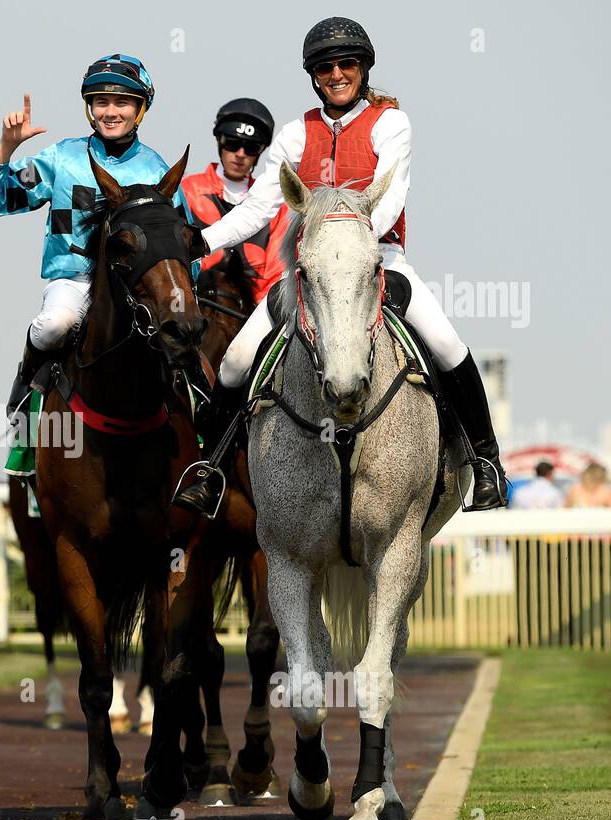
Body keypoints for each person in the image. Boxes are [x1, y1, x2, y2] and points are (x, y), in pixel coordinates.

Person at [174, 16, 509, 515]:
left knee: (445, 342)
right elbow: (257, 209)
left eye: (346, 64)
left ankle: (485, 462)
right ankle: (211, 468)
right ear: (313, 75)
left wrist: (348, 241)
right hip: (309, 270)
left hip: (379, 258)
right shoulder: (293, 134)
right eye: (326, 66)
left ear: (363, 68)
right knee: (237, 359)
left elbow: (391, 199)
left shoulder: (392, 123)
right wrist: (199, 242)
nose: (336, 74)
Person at [0, 54, 193, 423]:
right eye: (101, 102)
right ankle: (25, 397)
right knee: (56, 324)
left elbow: (181, 248)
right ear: (89, 108)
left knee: (184, 340)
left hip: (137, 289)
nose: (111, 111)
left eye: (122, 102)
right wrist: (5, 148)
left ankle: (197, 428)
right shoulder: (62, 159)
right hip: (72, 281)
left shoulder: (157, 170)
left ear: (141, 108)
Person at [181, 97, 288, 306]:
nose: (240, 154)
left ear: (260, 152)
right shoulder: (186, 191)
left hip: (249, 314)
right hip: (193, 309)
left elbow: (275, 273)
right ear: (219, 141)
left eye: (251, 148)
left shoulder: (276, 206)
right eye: (232, 143)